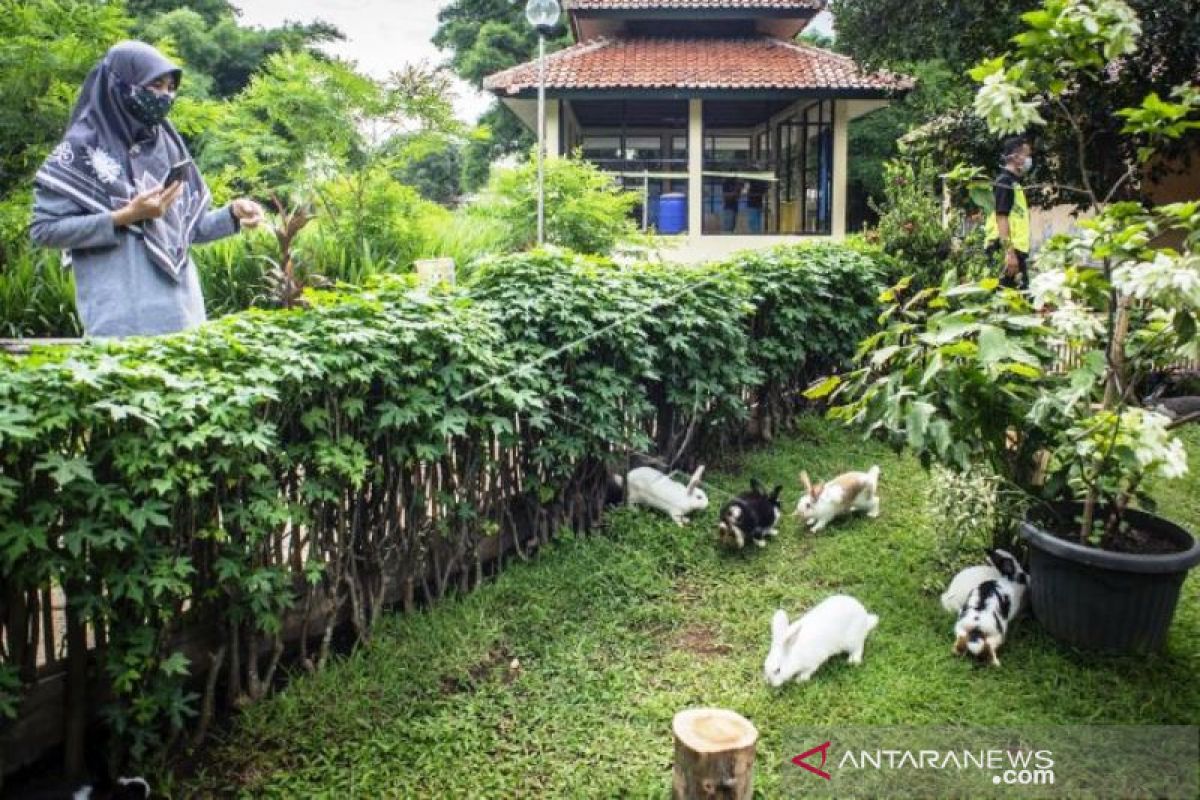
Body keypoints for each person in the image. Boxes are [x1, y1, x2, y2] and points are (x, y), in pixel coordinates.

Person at [30, 41, 264, 337]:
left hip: (184, 320)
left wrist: (233, 213)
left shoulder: (167, 146)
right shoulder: (79, 151)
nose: (165, 96)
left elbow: (189, 230)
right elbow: (44, 230)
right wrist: (125, 216)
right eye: (156, 85)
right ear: (119, 85)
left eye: (170, 88)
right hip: (119, 329)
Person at [984, 135, 1033, 289]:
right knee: (1009, 297)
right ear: (1015, 157)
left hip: (1014, 251)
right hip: (1005, 251)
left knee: (1017, 297)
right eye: (1027, 155)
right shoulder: (1004, 182)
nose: (1029, 160)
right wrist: (1009, 253)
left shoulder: (1014, 183)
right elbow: (1001, 217)